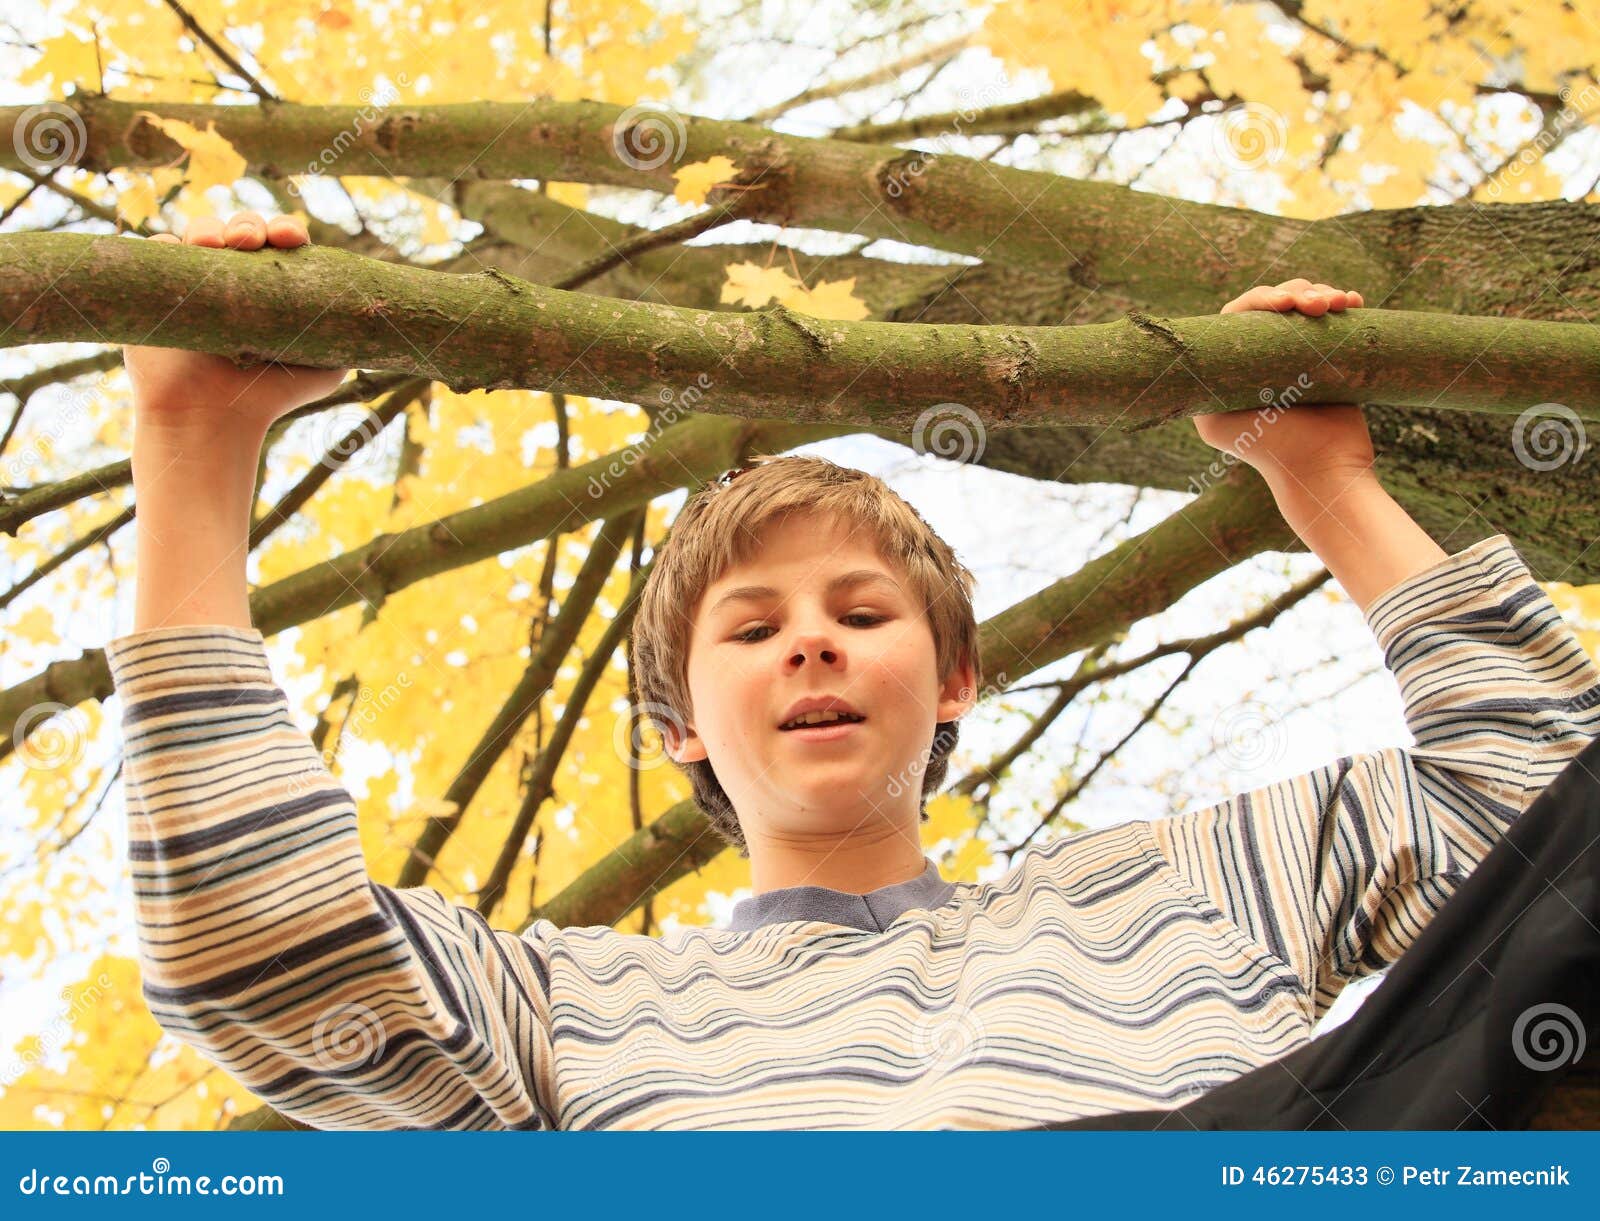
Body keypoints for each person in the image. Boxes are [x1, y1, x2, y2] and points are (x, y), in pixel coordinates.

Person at [109, 211, 1600, 1130]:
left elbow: (1540, 790)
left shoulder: (1195, 884)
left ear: (954, 679)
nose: (810, 639)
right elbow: (255, 948)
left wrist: (1323, 480)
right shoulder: (568, 1005)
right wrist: (193, 451)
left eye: (860, 613)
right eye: (751, 629)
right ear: (679, 726)